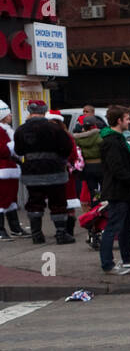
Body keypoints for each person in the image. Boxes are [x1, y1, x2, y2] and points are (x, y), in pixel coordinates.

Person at [14, 100, 76, 245]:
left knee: (34, 202)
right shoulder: (55, 129)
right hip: (55, 171)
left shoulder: (21, 130)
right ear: (45, 110)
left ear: (30, 110)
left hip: (31, 173)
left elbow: (18, 151)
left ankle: (36, 235)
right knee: (58, 203)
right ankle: (61, 234)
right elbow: (67, 148)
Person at [98, 105, 130, 274]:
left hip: (125, 190)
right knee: (113, 227)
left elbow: (125, 164)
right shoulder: (111, 141)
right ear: (119, 120)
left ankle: (128, 258)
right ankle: (107, 264)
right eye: (127, 118)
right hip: (118, 191)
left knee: (127, 226)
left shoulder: (118, 138)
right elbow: (117, 169)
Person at [0, 101, 26, 240]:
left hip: (10, 169)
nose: (11, 115)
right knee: (2, 199)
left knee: (10, 199)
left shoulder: (7, 130)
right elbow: (2, 150)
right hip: (3, 170)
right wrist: (13, 147)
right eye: (8, 113)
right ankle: (0, 229)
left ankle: (15, 228)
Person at [73, 104, 107, 201]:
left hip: (87, 167)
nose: (84, 113)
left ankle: (94, 206)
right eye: (83, 111)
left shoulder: (78, 138)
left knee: (93, 190)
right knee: (104, 189)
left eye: (86, 111)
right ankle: (102, 207)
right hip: (99, 166)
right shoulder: (99, 136)